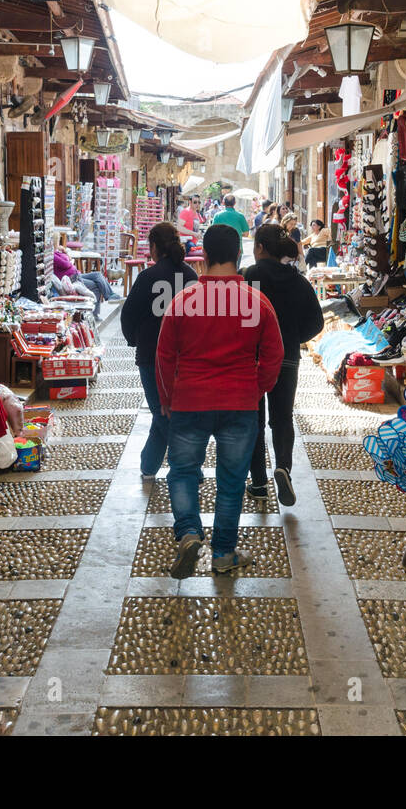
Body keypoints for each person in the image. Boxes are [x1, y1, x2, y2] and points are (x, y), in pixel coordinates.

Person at [156, 224, 283, 576]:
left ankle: (189, 533)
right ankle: (223, 555)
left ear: (204, 257)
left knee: (182, 473)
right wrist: (258, 388)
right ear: (239, 256)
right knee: (231, 482)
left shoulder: (183, 301)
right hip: (240, 403)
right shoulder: (256, 302)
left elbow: (164, 355)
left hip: (189, 401)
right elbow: (274, 354)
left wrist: (167, 396)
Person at [244, 224, 323, 506]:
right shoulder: (297, 279)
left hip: (253, 359)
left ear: (261, 248)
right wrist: (290, 340)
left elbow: (239, 315)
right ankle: (283, 467)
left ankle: (258, 483)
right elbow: (317, 322)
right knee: (282, 418)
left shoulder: (250, 276)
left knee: (253, 420)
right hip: (288, 359)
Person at [122, 222, 198, 480]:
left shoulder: (148, 277)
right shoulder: (190, 277)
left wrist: (134, 340)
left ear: (154, 247)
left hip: (151, 356)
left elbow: (128, 315)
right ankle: (149, 465)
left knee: (162, 412)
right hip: (184, 357)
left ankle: (186, 466)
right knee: (168, 412)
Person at [54, 244, 121, 318]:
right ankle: (95, 314)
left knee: (97, 274)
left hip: (77, 275)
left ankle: (110, 295)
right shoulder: (53, 255)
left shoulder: (58, 252)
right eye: (57, 242)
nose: (58, 244)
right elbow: (66, 264)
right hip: (71, 279)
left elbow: (68, 259)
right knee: (95, 285)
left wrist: (65, 253)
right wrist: (69, 260)